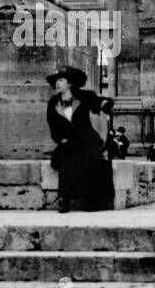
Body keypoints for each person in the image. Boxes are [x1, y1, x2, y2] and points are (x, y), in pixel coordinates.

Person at [46, 66, 115, 213]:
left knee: (93, 157)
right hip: (68, 142)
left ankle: (92, 199)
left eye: (61, 80)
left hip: (88, 140)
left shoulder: (85, 97)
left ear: (70, 83)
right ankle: (65, 199)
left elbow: (101, 102)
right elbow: (53, 127)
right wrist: (61, 140)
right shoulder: (53, 102)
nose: (57, 83)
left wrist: (104, 106)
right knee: (65, 159)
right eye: (56, 80)